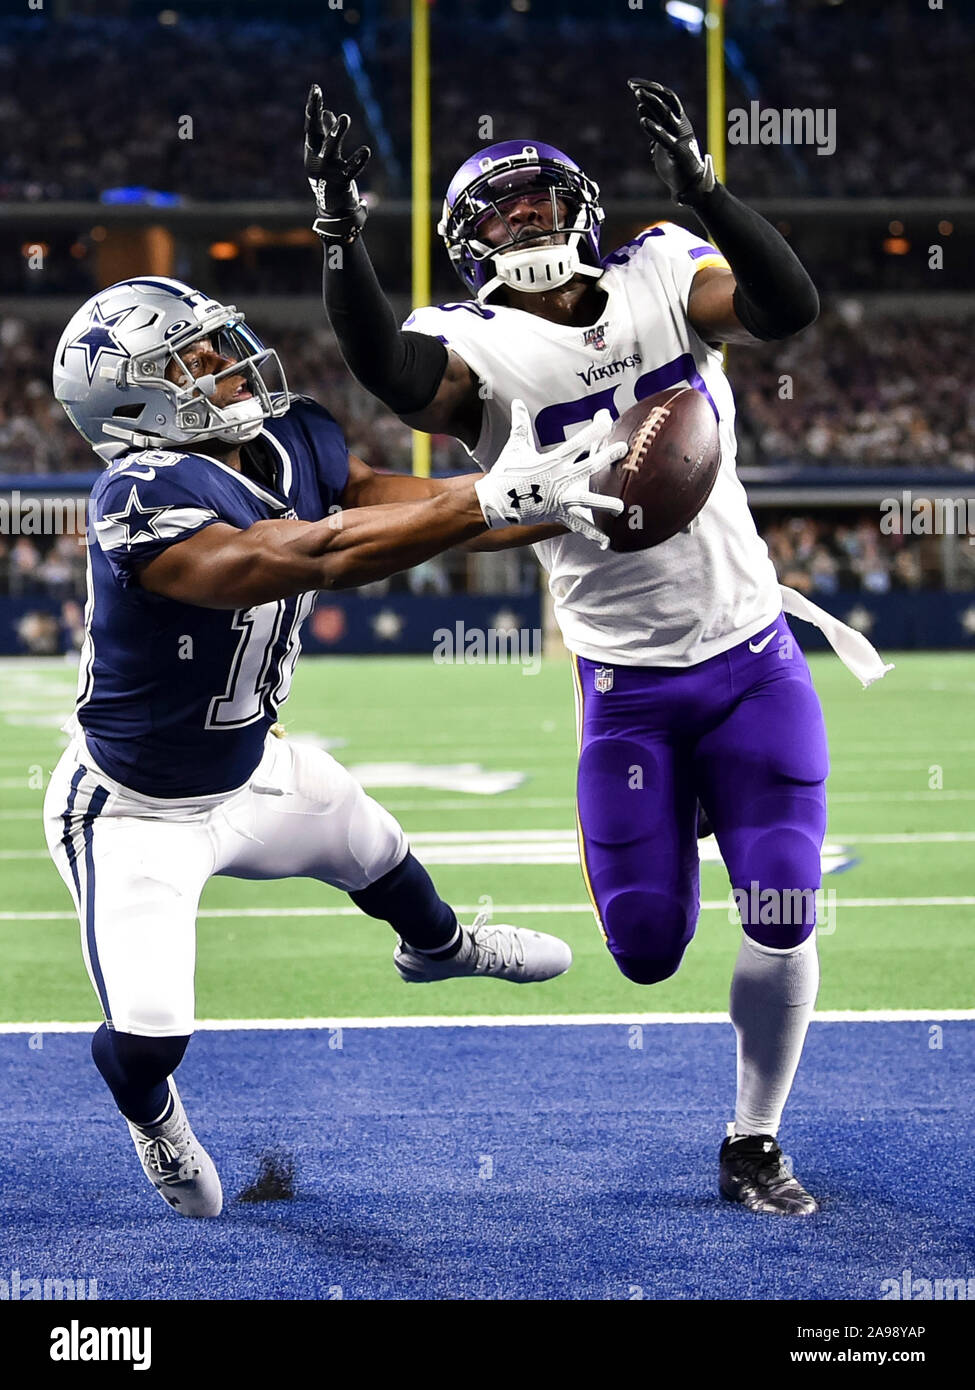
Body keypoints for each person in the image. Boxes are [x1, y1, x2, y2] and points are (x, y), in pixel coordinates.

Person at [304, 81, 892, 1215]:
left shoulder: (661, 271)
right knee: (648, 945)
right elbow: (392, 372)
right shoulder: (474, 342)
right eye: (499, 210)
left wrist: (708, 190)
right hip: (626, 691)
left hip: (751, 657)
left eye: (537, 200)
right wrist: (340, 230)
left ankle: (754, 1140)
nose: (523, 220)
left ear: (578, 206)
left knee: (779, 904)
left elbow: (786, 309)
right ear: (469, 244)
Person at [44, 275, 625, 1217]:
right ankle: (153, 1118)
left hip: (251, 767)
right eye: (189, 359)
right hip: (135, 809)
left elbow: (392, 500)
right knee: (151, 1034)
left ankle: (439, 949)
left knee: (375, 848)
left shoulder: (288, 435)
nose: (223, 364)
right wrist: (486, 501)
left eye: (216, 342)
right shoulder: (138, 494)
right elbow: (301, 555)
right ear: (133, 400)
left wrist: (558, 499)